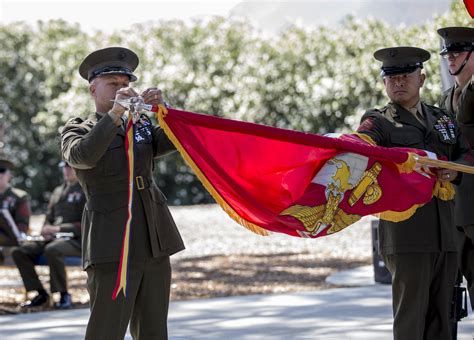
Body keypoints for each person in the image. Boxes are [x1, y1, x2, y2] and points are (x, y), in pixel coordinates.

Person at [60, 47, 185, 340]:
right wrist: (115, 113)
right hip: (111, 242)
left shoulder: (140, 124)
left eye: (125, 83)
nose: (121, 88)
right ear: (93, 89)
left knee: (154, 330)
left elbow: (177, 140)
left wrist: (165, 111)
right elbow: (82, 156)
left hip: (154, 236)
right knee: (107, 329)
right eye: (112, 83)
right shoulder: (78, 128)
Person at [356, 46, 470, 340]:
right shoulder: (379, 121)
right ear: (384, 82)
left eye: (405, 76)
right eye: (391, 78)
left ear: (421, 78)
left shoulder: (442, 119)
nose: (398, 83)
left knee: (443, 319)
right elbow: (361, 144)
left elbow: (466, 154)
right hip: (407, 237)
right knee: (411, 321)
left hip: (446, 234)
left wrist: (455, 169)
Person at [11, 162, 85, 309]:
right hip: (54, 238)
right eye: (64, 167)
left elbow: (86, 222)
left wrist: (58, 228)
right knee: (19, 251)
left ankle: (63, 294)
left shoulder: (85, 189)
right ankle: (40, 293)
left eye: (70, 166)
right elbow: (49, 217)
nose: (67, 170)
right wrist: (44, 230)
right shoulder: (58, 191)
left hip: (76, 240)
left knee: (53, 249)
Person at [437, 26, 474, 309]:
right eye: (448, 54)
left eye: (458, 53)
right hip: (458, 209)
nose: (451, 59)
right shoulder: (446, 98)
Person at [0, 157, 31, 263]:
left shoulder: (19, 196)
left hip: (11, 240)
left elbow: (23, 225)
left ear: (9, 175)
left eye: (2, 171)